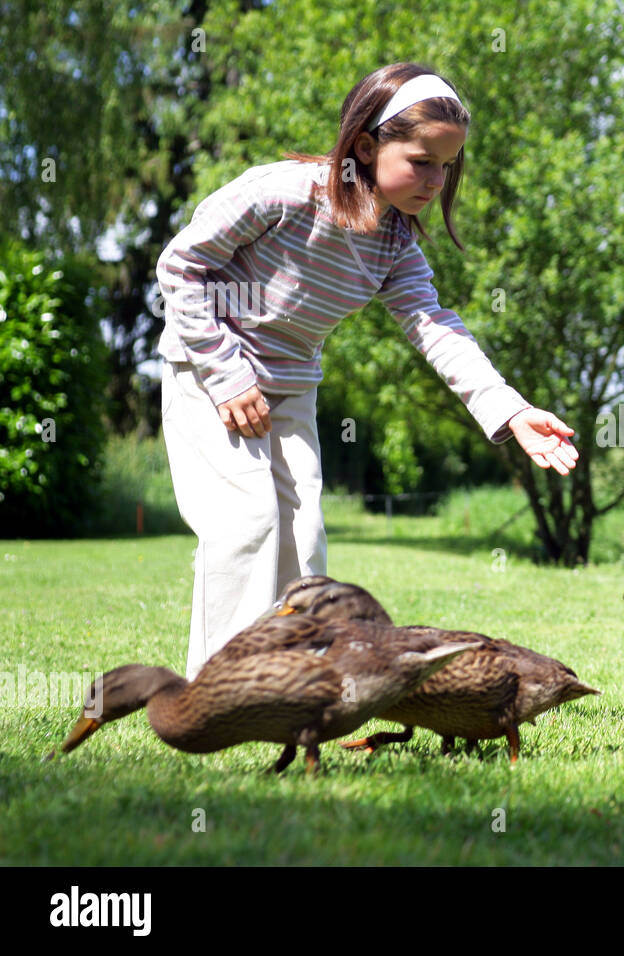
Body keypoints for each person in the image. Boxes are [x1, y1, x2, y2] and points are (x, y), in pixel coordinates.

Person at [155, 62, 578, 679]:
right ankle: (220, 691)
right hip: (210, 371)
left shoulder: (394, 244)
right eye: (422, 160)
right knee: (246, 525)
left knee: (305, 542)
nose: (436, 180)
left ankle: (295, 683)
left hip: (290, 388)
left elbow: (434, 326)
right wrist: (226, 374)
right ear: (364, 146)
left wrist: (510, 410)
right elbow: (180, 267)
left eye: (448, 166)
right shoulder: (281, 192)